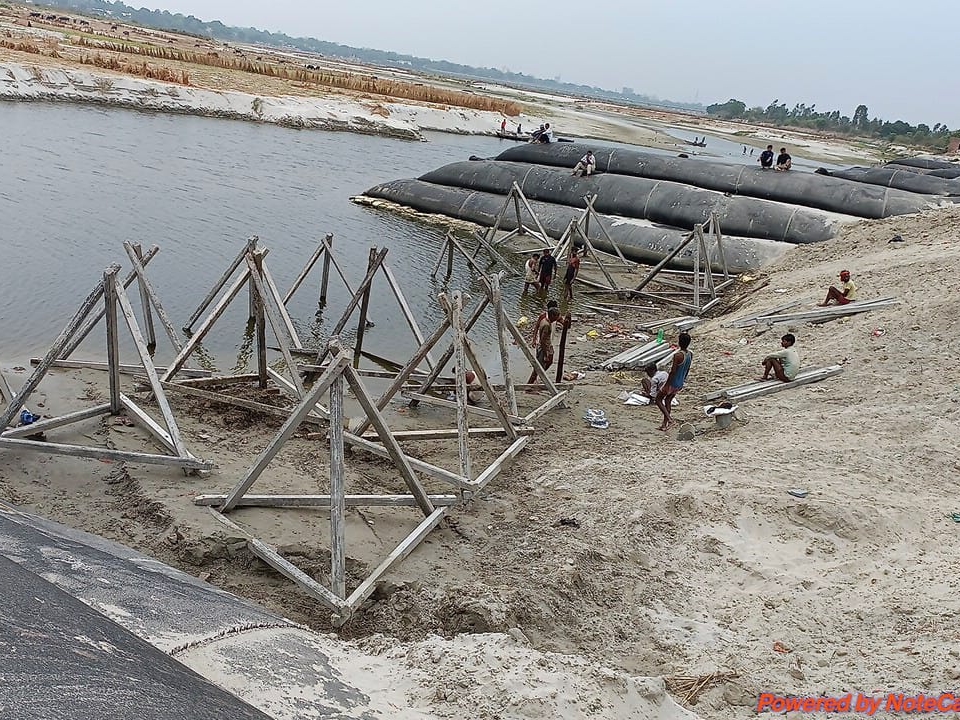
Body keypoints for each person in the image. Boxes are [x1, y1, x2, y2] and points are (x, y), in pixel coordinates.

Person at [656, 332, 693, 431]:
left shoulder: (678, 355)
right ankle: (664, 424)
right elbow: (687, 369)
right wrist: (683, 380)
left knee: (658, 399)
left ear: (680, 342)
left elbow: (673, 371)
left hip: (672, 382)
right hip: (679, 383)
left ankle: (670, 420)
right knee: (668, 401)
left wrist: (667, 384)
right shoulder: (690, 354)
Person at [528, 306, 561, 383]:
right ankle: (529, 386)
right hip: (543, 348)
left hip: (547, 346)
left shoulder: (545, 320)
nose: (557, 318)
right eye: (557, 316)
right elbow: (542, 341)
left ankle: (538, 377)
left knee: (547, 363)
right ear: (552, 315)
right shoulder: (546, 325)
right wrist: (546, 354)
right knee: (537, 368)